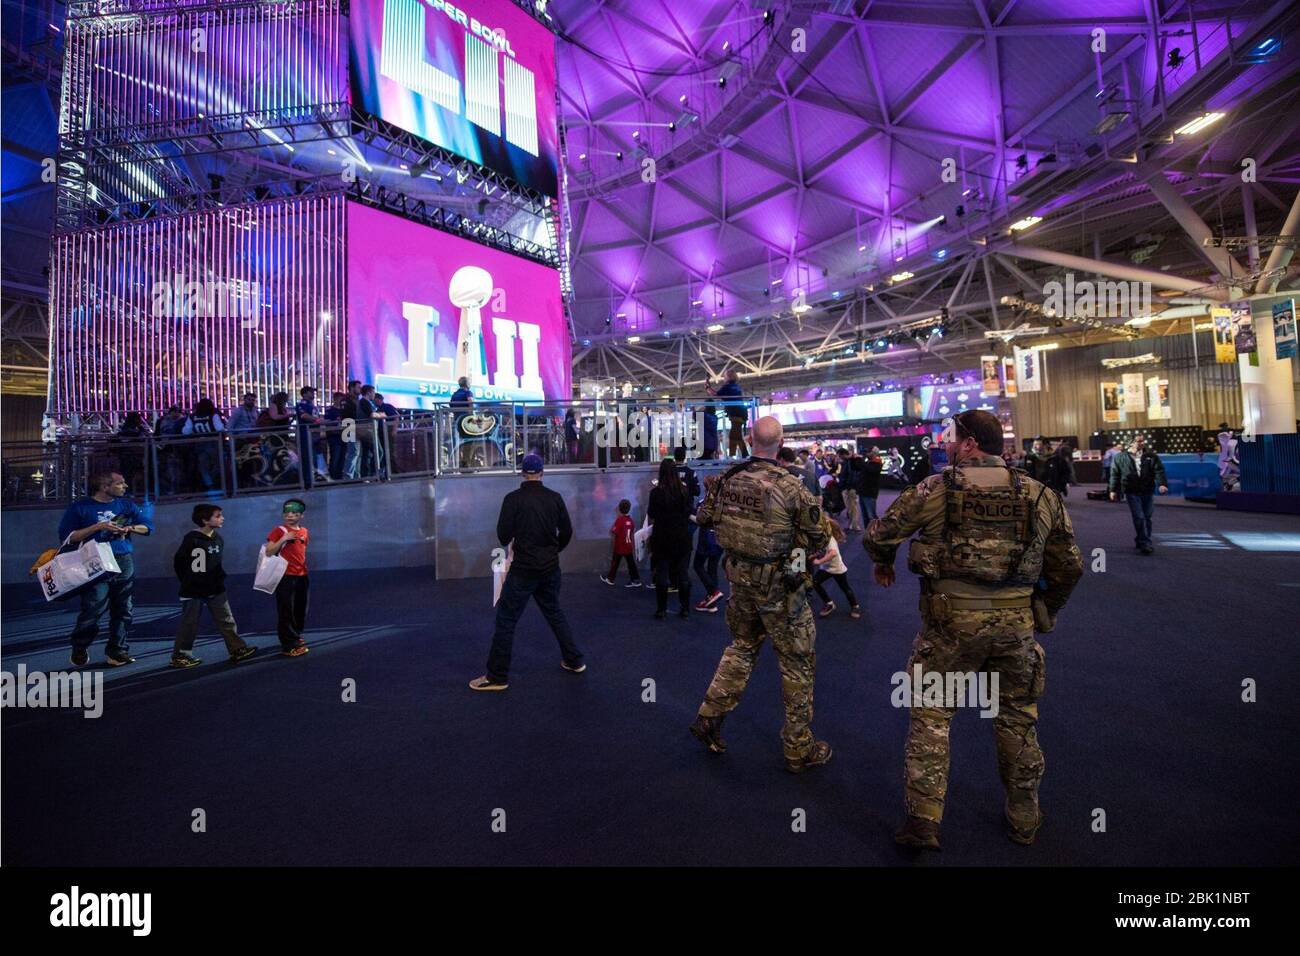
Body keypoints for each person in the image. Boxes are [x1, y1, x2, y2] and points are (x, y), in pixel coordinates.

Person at [864, 410, 1083, 850]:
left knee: (931, 714)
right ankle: (1024, 816)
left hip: (949, 626)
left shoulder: (935, 489)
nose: (945, 444)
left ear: (967, 444)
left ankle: (924, 821)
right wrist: (1045, 609)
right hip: (1016, 627)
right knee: (1017, 719)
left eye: (950, 437)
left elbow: (880, 534)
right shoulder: (1040, 495)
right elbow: (1070, 565)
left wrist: (884, 560)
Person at [688, 415, 833, 774]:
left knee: (741, 647)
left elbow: (703, 517)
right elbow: (819, 538)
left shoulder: (726, 479)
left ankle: (709, 716)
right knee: (797, 662)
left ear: (750, 439)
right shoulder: (792, 487)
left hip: (739, 581)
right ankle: (798, 748)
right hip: (783, 586)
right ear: (781, 442)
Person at [471, 455, 584, 690]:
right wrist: (553, 550)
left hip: (523, 570)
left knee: (506, 620)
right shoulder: (555, 498)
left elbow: (503, 536)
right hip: (550, 568)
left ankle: (497, 677)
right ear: (542, 472)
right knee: (554, 613)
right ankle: (574, 660)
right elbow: (567, 531)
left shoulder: (513, 500)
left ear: (523, 473)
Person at [59, 471, 154, 667]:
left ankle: (117, 651)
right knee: (94, 607)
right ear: (104, 487)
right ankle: (80, 645)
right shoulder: (80, 507)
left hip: (123, 560)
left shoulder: (126, 505)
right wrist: (98, 526)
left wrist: (129, 528)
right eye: (120, 483)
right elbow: (68, 537)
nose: (125, 486)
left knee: (124, 608)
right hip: (95, 561)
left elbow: (148, 527)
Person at [170, 504, 257, 668]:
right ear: (204, 520)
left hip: (216, 588)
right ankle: (180, 655)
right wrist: (190, 582)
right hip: (194, 590)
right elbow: (180, 563)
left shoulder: (218, 538)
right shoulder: (192, 539)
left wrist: (217, 580)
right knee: (190, 623)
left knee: (226, 620)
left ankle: (237, 649)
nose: (222, 518)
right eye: (217, 516)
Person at [647, 457, 694, 619]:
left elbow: (651, 514)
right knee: (683, 574)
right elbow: (689, 512)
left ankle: (661, 610)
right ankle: (685, 609)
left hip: (662, 537)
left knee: (662, 573)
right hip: (681, 536)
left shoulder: (656, 493)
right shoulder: (684, 491)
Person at [265, 499, 311, 657]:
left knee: (300, 608)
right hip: (285, 576)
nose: (290, 516)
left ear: (301, 515)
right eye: (287, 513)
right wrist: (284, 539)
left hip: (302, 575)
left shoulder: (304, 531)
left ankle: (296, 635)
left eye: (294, 513)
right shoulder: (279, 530)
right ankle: (288, 645)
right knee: (286, 610)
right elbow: (269, 551)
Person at [1108, 435, 1168, 554]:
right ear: (1130, 443)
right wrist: (1112, 490)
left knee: (1147, 517)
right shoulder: (1119, 457)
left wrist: (1162, 484)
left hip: (1148, 490)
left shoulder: (1151, 456)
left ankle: (1141, 539)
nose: (1142, 442)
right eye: (1138, 441)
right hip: (1131, 491)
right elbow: (1114, 474)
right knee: (1139, 517)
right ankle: (1146, 543)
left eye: (1142, 440)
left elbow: (1159, 470)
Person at [811, 515, 860, 619]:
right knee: (815, 582)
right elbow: (822, 550)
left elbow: (832, 553)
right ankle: (829, 604)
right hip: (826, 568)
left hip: (837, 569)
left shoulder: (830, 539)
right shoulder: (821, 538)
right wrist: (814, 555)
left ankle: (855, 606)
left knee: (845, 588)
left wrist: (819, 561)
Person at [692, 474, 725, 612]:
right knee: (712, 568)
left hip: (707, 539)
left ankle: (713, 591)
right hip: (720, 539)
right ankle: (712, 603)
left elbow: (700, 520)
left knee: (697, 565)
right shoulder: (724, 502)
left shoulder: (704, 502)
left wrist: (688, 514)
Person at [183, 397, 225, 491]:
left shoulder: (192, 416)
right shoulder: (213, 415)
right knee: (218, 464)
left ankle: (208, 484)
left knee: (203, 466)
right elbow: (219, 429)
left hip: (200, 444)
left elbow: (186, 431)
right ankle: (214, 483)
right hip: (214, 442)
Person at [601, 498, 641, 587]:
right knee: (631, 564)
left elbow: (614, 531)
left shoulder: (619, 520)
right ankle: (636, 580)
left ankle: (610, 579)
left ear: (619, 508)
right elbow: (632, 531)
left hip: (619, 547)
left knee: (615, 563)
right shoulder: (630, 520)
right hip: (628, 546)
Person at [294, 386, 325, 487]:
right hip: (305, 435)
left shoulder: (312, 405)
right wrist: (317, 420)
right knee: (308, 458)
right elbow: (304, 416)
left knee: (315, 458)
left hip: (315, 435)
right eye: (311, 392)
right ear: (304, 394)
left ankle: (315, 479)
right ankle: (308, 481)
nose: (313, 394)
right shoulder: (301, 404)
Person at [715, 370, 748, 457]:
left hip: (735, 415)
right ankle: (736, 455)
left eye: (725, 376)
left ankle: (735, 456)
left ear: (728, 377)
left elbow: (715, 394)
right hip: (740, 414)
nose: (723, 378)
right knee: (736, 435)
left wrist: (707, 388)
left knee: (734, 436)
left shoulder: (727, 387)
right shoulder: (736, 386)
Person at [449, 376, 474, 468]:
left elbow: (451, 406)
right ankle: (466, 463)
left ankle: (460, 461)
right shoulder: (468, 392)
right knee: (469, 441)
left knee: (459, 442)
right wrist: (472, 414)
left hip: (456, 422)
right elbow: (471, 402)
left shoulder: (455, 394)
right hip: (466, 422)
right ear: (467, 384)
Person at [840, 447, 864, 532]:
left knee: (853, 508)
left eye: (840, 456)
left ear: (843, 455)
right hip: (847, 487)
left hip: (851, 488)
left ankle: (855, 526)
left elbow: (853, 475)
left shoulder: (853, 461)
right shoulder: (847, 462)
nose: (839, 458)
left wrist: (850, 487)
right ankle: (851, 525)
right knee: (850, 508)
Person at [859, 448, 883, 521]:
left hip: (870, 493)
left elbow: (871, 470)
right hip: (863, 491)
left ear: (874, 453)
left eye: (869, 452)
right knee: (865, 516)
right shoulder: (868, 462)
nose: (867, 454)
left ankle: (875, 532)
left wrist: (862, 460)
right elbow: (857, 467)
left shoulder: (878, 463)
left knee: (871, 516)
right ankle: (867, 531)